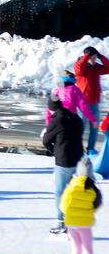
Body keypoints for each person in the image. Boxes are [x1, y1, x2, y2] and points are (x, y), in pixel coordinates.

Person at [43, 95, 85, 236]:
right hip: (79, 159)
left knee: (60, 192)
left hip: (64, 161)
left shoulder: (56, 120)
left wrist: (52, 150)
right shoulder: (75, 117)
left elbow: (46, 140)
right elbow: (80, 131)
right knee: (76, 191)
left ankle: (62, 222)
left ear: (51, 109)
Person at [60, 158, 101, 254]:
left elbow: (63, 205)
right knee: (88, 251)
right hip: (85, 224)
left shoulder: (71, 186)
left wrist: (69, 214)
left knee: (76, 250)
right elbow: (96, 205)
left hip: (71, 224)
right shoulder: (94, 189)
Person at [73, 46, 108, 153]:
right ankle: (77, 148)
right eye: (91, 57)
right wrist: (87, 55)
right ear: (86, 57)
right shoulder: (80, 67)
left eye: (95, 57)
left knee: (94, 127)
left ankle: (91, 148)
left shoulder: (96, 67)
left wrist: (100, 56)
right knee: (81, 127)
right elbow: (79, 69)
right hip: (82, 103)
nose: (94, 59)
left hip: (94, 103)